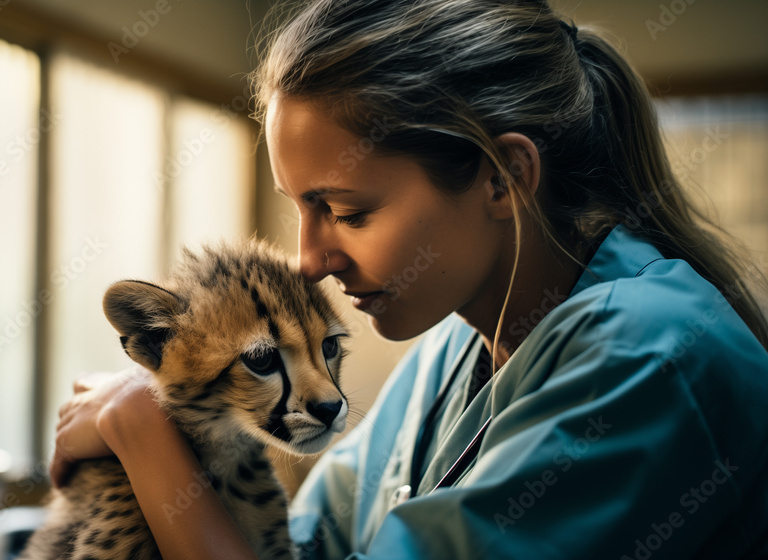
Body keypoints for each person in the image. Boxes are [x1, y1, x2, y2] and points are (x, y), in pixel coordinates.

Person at [50, 0, 768, 558]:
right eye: (299, 208)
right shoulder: (449, 357)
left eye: (347, 211)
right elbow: (296, 551)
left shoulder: (650, 358)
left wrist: (139, 423)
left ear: (502, 178)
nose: (308, 262)